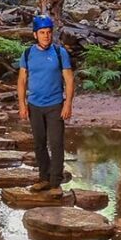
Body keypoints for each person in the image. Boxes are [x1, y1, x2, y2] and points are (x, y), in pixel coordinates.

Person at [17, 14, 74, 195]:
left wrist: (68, 105)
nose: (46, 36)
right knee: (39, 144)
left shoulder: (59, 53)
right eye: (42, 32)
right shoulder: (27, 54)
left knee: (56, 144)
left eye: (48, 32)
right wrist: (22, 104)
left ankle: (55, 182)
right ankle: (43, 178)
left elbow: (69, 80)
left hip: (55, 105)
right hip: (34, 105)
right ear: (35, 34)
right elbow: (22, 80)